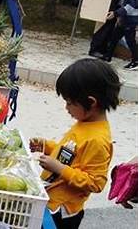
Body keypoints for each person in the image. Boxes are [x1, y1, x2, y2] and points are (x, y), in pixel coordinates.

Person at [30, 58, 121, 229]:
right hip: (50, 203)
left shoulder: (98, 140)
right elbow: (71, 153)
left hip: (62, 214)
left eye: (70, 103)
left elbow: (96, 182)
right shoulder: (85, 123)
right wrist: (47, 146)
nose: (66, 108)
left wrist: (58, 168)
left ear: (91, 102)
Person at [102, 0, 138, 69]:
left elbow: (130, 7)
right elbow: (124, 2)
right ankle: (107, 56)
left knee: (130, 41)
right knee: (114, 37)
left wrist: (116, 13)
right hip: (124, 20)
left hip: (130, 21)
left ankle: (136, 61)